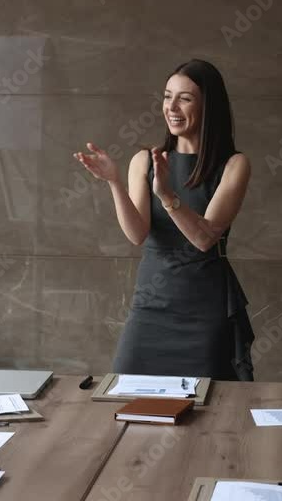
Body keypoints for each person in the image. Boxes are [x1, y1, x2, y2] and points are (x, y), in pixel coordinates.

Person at [74, 59, 254, 380]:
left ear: (208, 106)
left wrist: (168, 196)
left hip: (205, 310)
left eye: (185, 98)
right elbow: (137, 234)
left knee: (206, 412)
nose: (171, 107)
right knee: (128, 398)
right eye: (167, 96)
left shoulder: (234, 165)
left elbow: (204, 238)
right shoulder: (144, 160)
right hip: (152, 306)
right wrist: (115, 181)